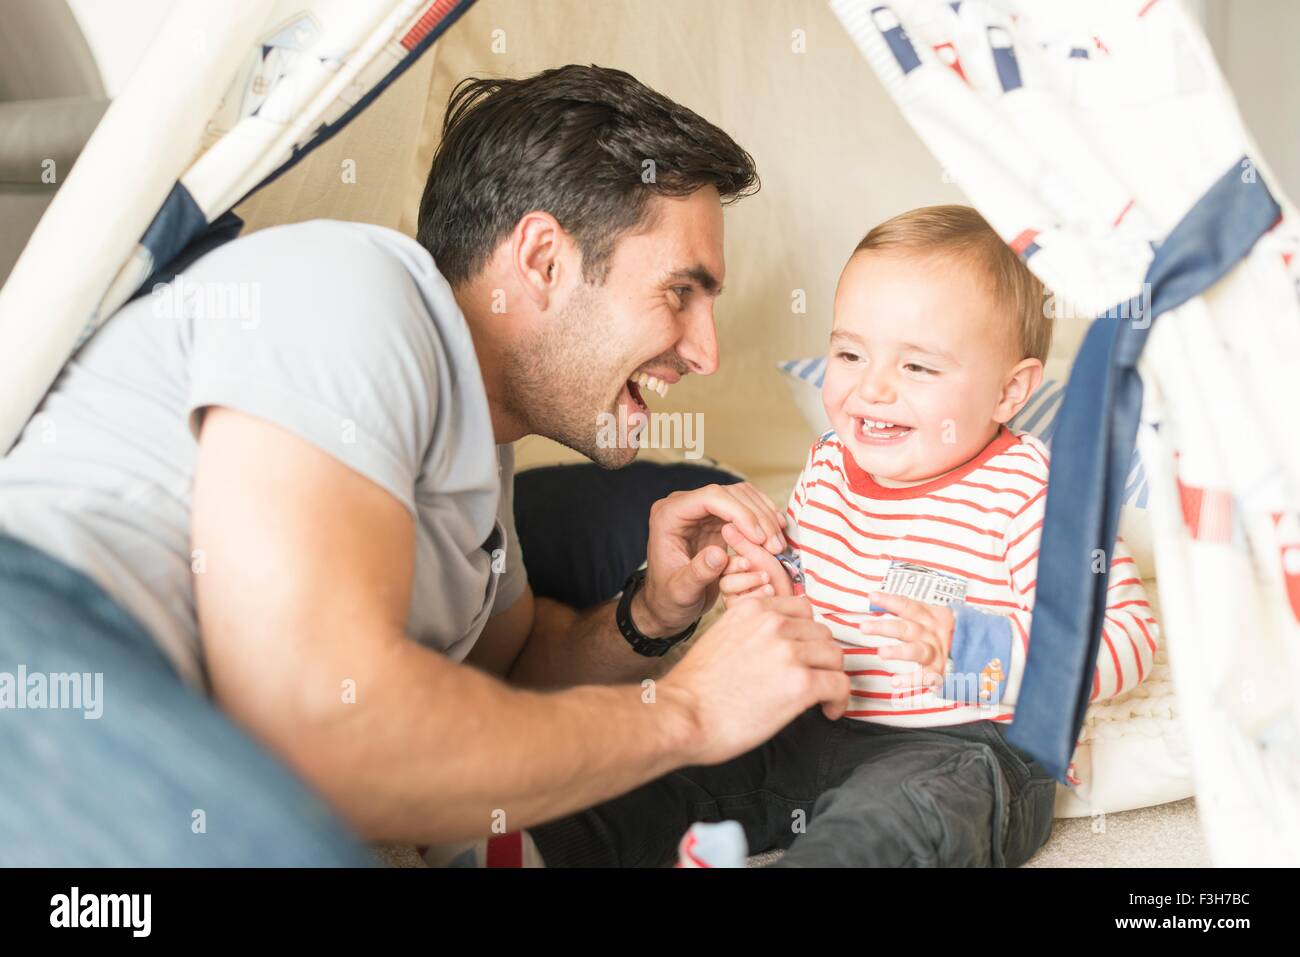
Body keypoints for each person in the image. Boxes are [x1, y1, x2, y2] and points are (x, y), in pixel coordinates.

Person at [0, 65, 852, 865]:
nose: (705, 352)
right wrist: (689, 709)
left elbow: (510, 675)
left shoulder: (481, 447)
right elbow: (326, 724)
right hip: (48, 635)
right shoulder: (351, 289)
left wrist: (652, 613)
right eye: (681, 291)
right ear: (543, 260)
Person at [507, 205, 1161, 867]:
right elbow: (814, 591)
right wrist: (769, 582)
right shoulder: (829, 468)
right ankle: (539, 840)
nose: (870, 388)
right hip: (814, 723)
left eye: (918, 368)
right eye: (850, 352)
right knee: (692, 770)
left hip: (966, 743)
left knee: (900, 816)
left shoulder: (1032, 490)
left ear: (1007, 391)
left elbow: (1127, 638)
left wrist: (977, 650)